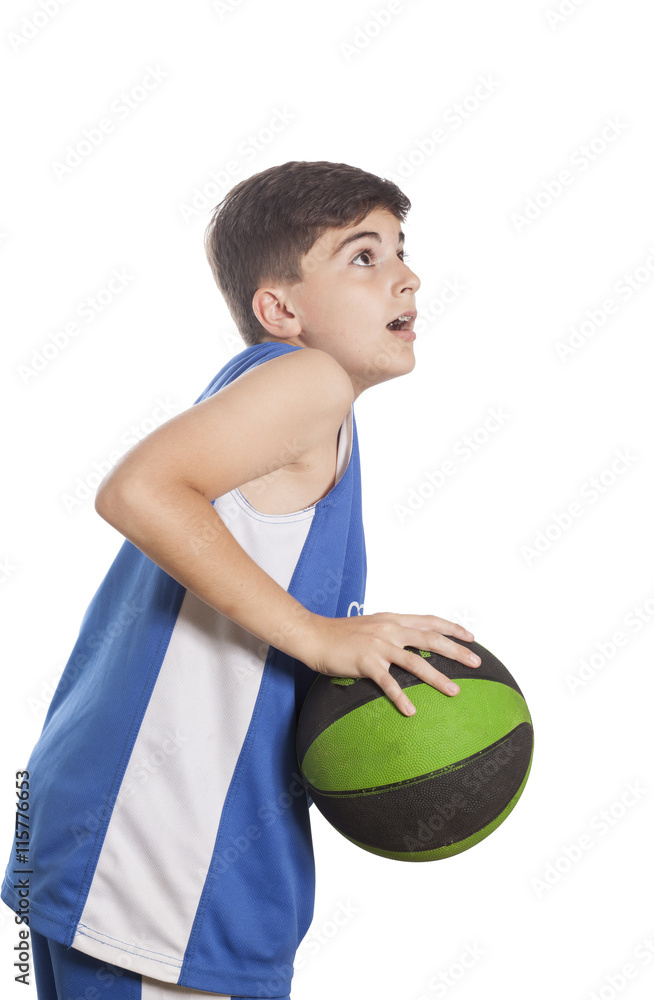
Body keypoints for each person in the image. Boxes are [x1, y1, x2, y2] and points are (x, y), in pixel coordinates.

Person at [2, 160, 481, 1000]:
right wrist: (319, 634)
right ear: (280, 309)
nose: (406, 275)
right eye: (362, 257)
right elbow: (136, 489)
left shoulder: (282, 405)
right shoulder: (307, 379)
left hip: (134, 834)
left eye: (401, 250)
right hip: (159, 858)